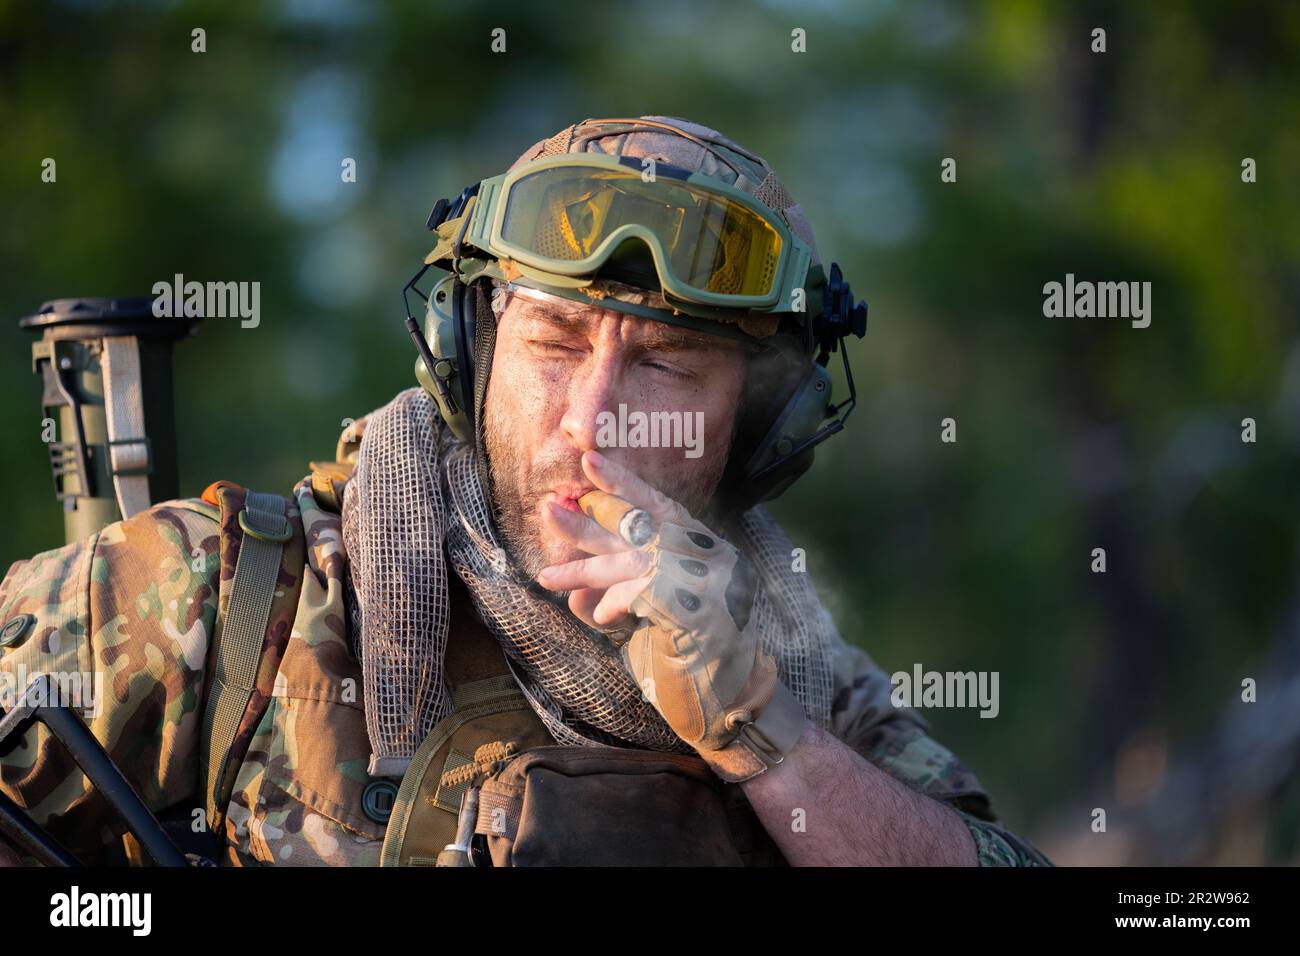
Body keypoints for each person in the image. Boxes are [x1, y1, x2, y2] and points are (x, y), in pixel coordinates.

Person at [0, 116, 1051, 867]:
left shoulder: (803, 673)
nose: (590, 418)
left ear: (761, 427)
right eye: (553, 341)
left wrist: (753, 727)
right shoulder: (227, 600)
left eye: (670, 364)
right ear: (470, 352)